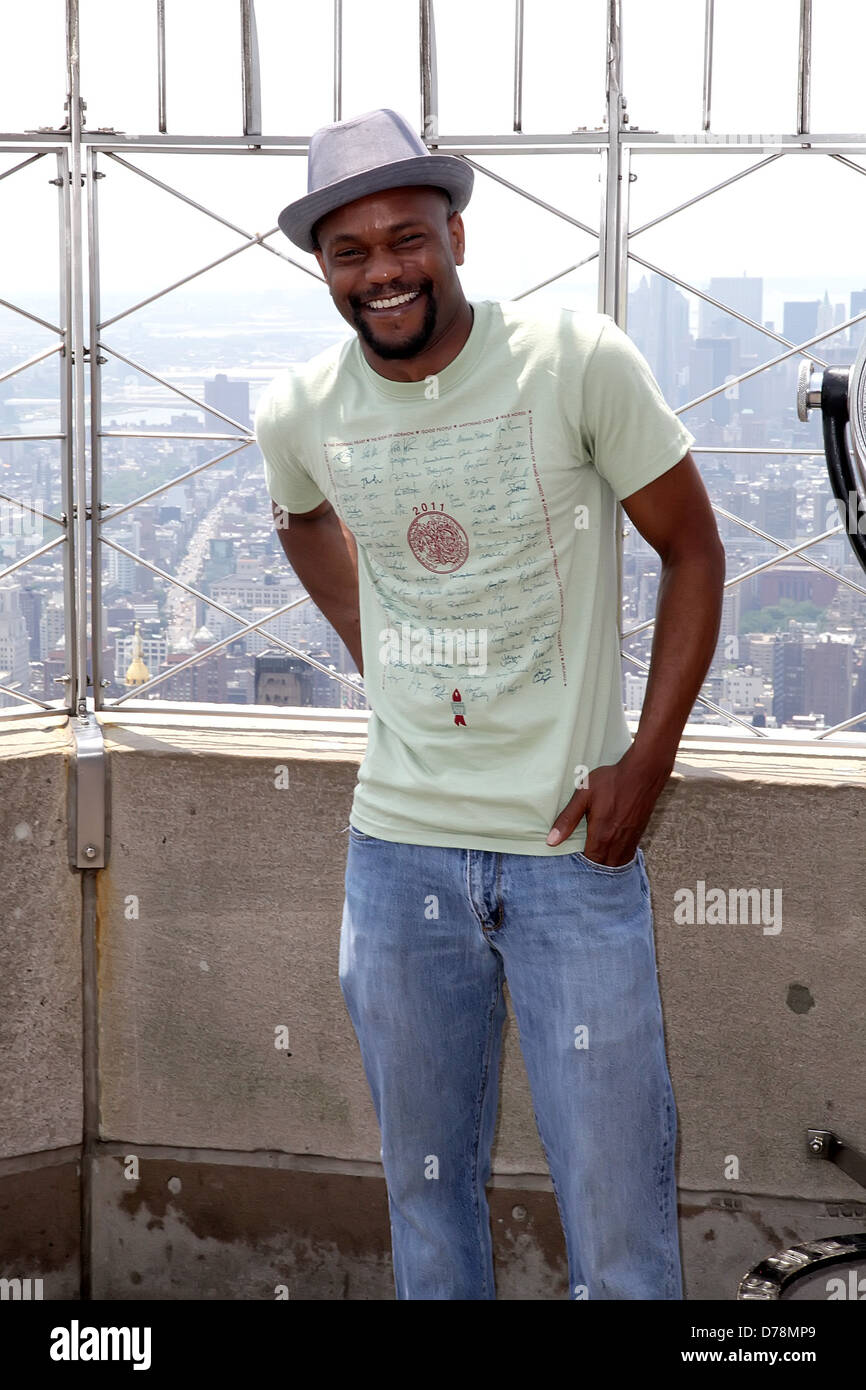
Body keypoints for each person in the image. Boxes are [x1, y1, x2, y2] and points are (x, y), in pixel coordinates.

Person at [255, 108, 725, 1300]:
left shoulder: (573, 358)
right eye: (349, 252)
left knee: (616, 1217)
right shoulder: (297, 410)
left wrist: (647, 762)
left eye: (405, 238)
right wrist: (374, 638)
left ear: (453, 233)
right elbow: (299, 517)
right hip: (395, 853)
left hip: (570, 851)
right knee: (424, 1195)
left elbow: (691, 550)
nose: (383, 272)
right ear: (323, 267)